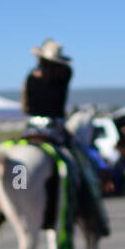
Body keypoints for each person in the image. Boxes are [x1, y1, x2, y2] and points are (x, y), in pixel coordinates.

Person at [21, 39, 110, 237]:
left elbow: (25, 106)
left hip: (31, 128)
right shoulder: (65, 75)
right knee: (81, 161)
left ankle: (21, 192)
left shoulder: (30, 78)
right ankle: (87, 204)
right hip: (55, 129)